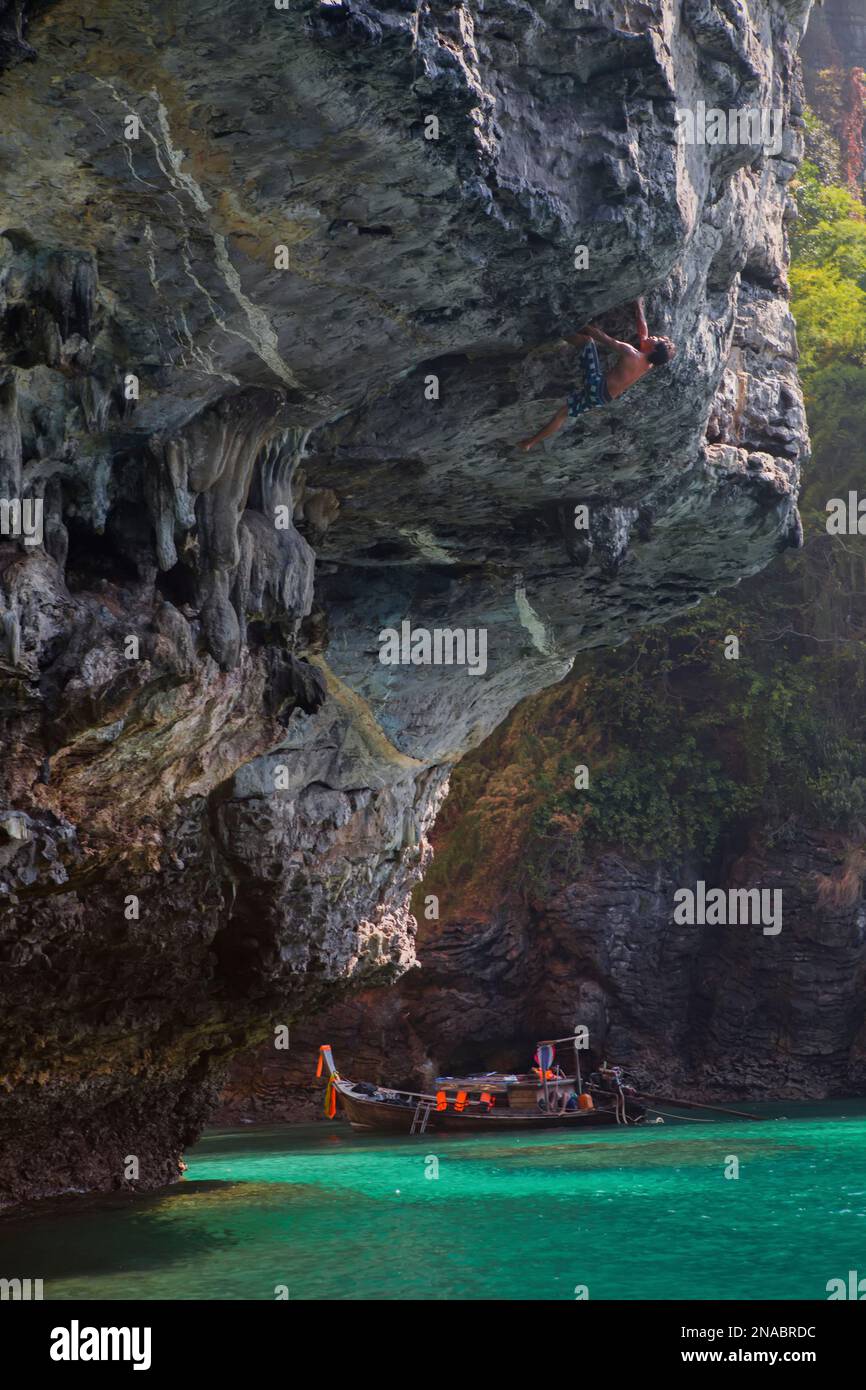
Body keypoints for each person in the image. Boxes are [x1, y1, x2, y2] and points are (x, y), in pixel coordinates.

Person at [518, 298, 676, 451]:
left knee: (587, 341)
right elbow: (643, 333)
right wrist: (638, 307)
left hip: (597, 384)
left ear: (654, 349)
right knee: (563, 413)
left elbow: (605, 339)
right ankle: (530, 443)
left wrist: (581, 324)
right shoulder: (647, 364)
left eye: (657, 340)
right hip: (602, 398)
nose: (653, 337)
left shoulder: (631, 353)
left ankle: (555, 330)